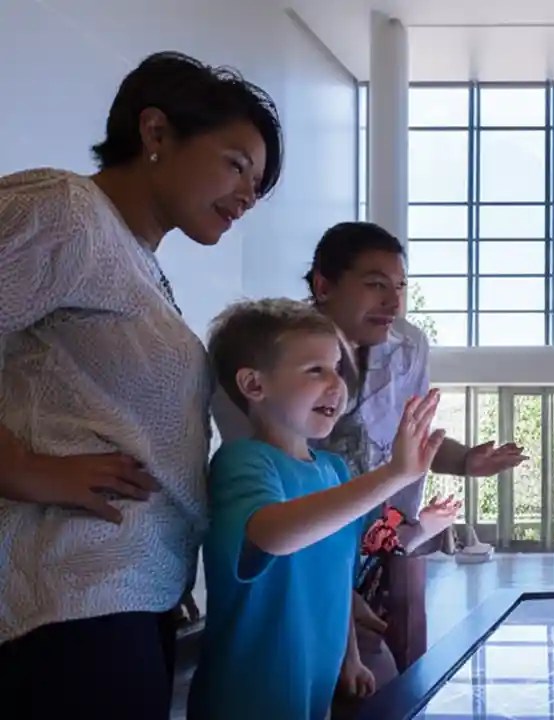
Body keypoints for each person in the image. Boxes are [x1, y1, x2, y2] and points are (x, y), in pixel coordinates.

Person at [0, 51, 282, 719]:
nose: (247, 195)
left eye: (259, 183)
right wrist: (24, 469)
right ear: (155, 133)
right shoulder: (66, 211)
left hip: (132, 597)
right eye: (236, 164)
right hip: (70, 600)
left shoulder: (140, 267)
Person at [189, 299, 453, 720]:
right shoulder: (244, 462)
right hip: (247, 696)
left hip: (315, 690)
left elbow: (352, 563)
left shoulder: (334, 470)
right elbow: (274, 535)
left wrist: (425, 527)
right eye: (316, 370)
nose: (337, 384)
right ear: (254, 385)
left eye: (337, 369)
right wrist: (393, 474)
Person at [212, 221, 526, 559]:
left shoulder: (409, 347)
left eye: (400, 286)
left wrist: (463, 460)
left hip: (380, 548)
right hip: (300, 548)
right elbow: (271, 528)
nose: (393, 301)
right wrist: (394, 475)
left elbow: (403, 440)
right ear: (323, 286)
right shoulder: (265, 359)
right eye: (376, 285)